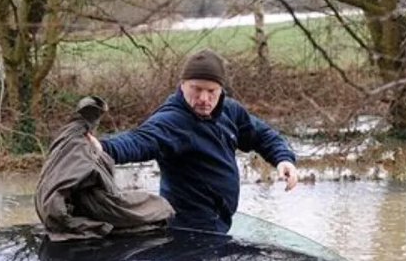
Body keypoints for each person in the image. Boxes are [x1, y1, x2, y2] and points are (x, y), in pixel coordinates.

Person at [88, 48, 299, 234]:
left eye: (211, 91)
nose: (204, 99)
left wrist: (282, 158)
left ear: (221, 90)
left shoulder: (229, 110)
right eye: (196, 89)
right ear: (182, 85)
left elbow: (260, 134)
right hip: (186, 230)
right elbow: (139, 140)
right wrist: (103, 147)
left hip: (220, 222)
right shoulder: (174, 121)